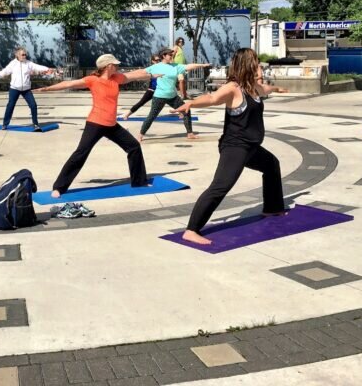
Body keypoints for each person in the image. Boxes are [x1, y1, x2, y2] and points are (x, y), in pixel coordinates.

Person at [173, 48, 289, 245]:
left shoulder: (253, 87)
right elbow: (211, 98)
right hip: (235, 147)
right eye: (256, 61)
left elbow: (266, 89)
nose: (259, 64)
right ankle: (191, 230)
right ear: (247, 64)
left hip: (251, 147)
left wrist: (277, 89)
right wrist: (191, 103)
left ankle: (272, 207)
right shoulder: (233, 88)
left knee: (271, 165)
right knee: (221, 186)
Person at [35, 54, 158, 198]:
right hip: (95, 123)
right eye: (115, 64)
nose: (117, 67)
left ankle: (139, 181)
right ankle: (59, 188)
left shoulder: (116, 78)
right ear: (107, 66)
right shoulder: (93, 80)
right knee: (80, 153)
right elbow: (69, 84)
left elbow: (134, 75)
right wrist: (47, 89)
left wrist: (152, 73)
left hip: (111, 125)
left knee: (134, 146)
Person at [138, 47, 211, 141]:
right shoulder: (155, 67)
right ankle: (140, 135)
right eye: (170, 55)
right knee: (152, 116)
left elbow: (189, 66)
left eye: (172, 54)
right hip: (159, 96)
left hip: (172, 96)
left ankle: (190, 133)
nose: (172, 56)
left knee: (186, 110)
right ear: (164, 56)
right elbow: (141, 73)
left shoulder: (175, 66)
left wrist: (203, 65)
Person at [0, 46, 58, 131]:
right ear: (17, 55)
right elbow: (4, 72)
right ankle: (5, 124)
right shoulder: (13, 64)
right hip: (14, 89)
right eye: (22, 55)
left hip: (26, 90)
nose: (24, 56)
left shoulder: (28, 63)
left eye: (25, 55)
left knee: (33, 105)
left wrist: (48, 69)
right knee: (10, 106)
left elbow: (38, 67)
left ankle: (36, 124)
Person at [121, 53, 161, 120]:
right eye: (157, 60)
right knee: (141, 102)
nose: (158, 62)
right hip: (152, 90)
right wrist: (128, 74)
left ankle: (181, 112)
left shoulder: (163, 67)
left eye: (160, 60)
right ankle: (127, 114)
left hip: (162, 91)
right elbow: (140, 72)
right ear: (153, 61)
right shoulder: (151, 68)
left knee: (174, 101)